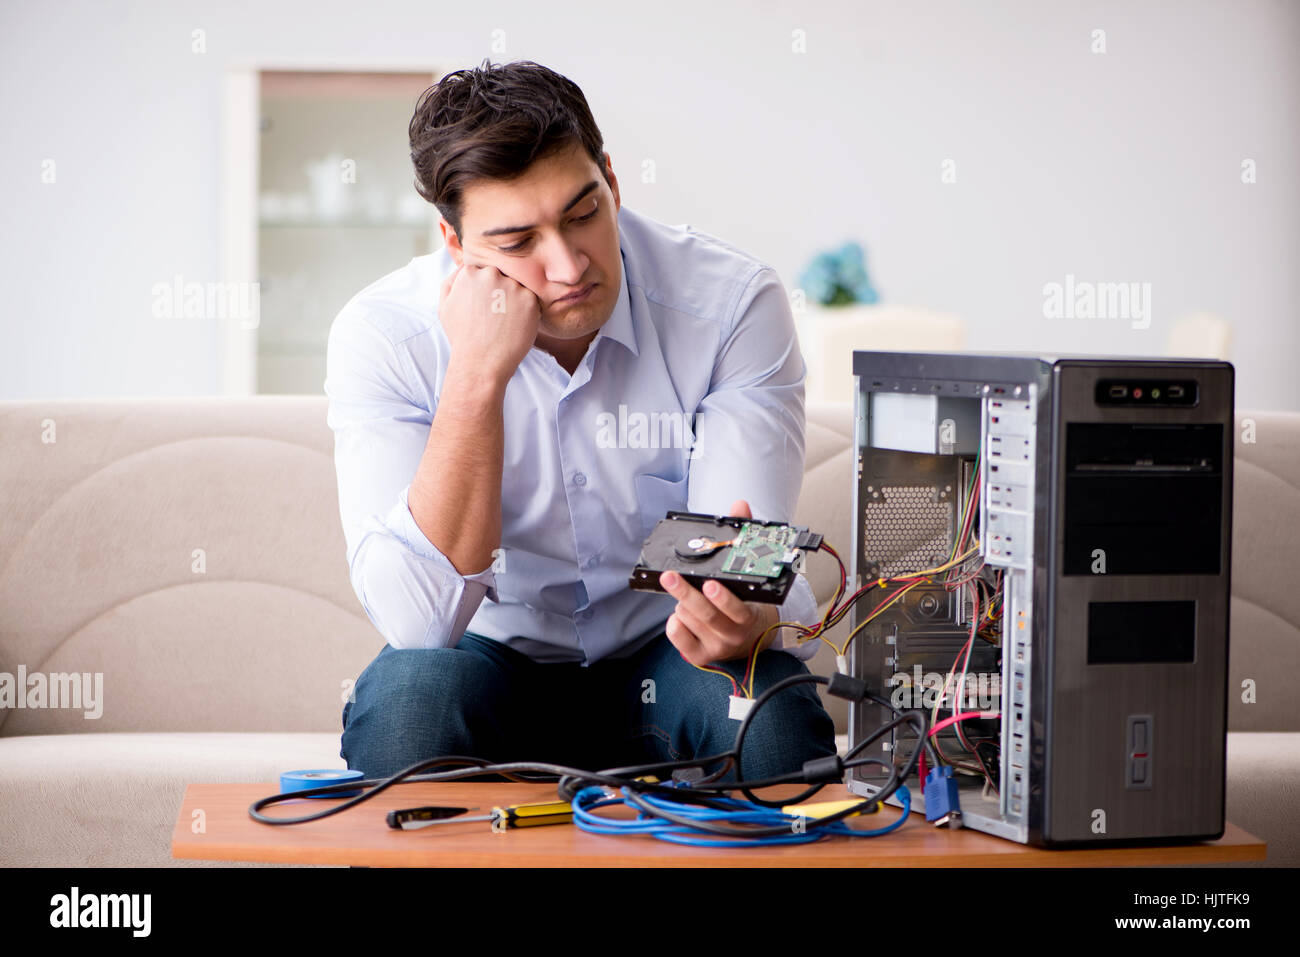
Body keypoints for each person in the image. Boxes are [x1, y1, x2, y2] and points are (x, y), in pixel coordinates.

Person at [324, 59, 836, 781]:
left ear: (612, 180)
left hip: (666, 653)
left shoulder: (729, 305)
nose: (567, 265)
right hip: (489, 658)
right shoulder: (386, 335)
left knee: (774, 724)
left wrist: (745, 617)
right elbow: (421, 622)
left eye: (582, 213)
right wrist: (476, 375)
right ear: (456, 245)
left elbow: (741, 566)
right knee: (410, 705)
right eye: (516, 242)